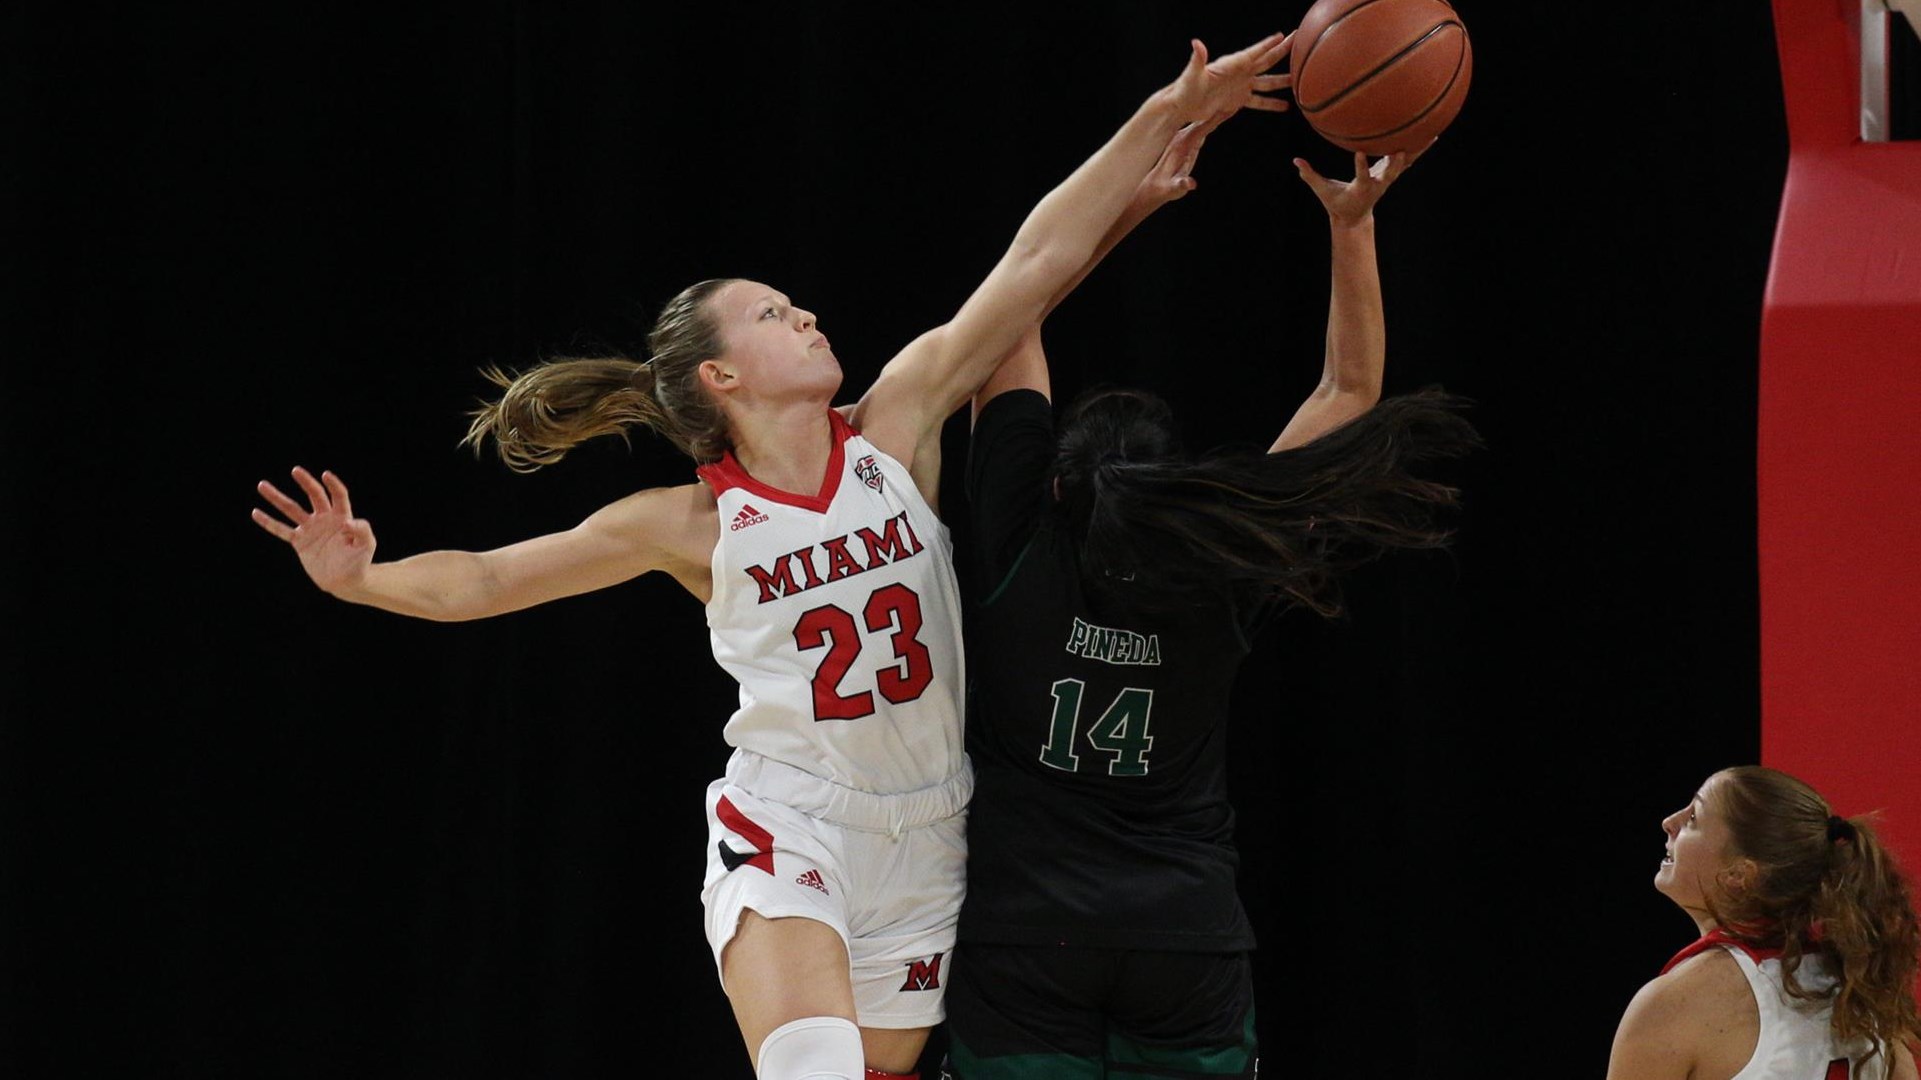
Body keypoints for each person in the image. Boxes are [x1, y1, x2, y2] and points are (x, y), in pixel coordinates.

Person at [250, 32, 1295, 1080]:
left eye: (794, 304)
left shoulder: (897, 425)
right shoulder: (688, 523)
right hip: (793, 823)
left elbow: (1029, 268)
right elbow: (486, 578)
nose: (802, 313)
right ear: (719, 377)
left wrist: (1164, 114)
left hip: (931, 830)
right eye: (768, 314)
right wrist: (363, 580)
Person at [939, 125, 1479, 1078]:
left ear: (1057, 481)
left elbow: (1008, 311)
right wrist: (1352, 227)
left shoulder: (1020, 539)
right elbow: (1349, 388)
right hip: (1181, 933)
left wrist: (1125, 207)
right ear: (1172, 479)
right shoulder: (1221, 558)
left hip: (1022, 933)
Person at [1603, 766, 1921, 1080]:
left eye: (1694, 819)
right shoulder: (1861, 989)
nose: (1669, 822)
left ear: (1739, 876)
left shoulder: (1672, 1005)